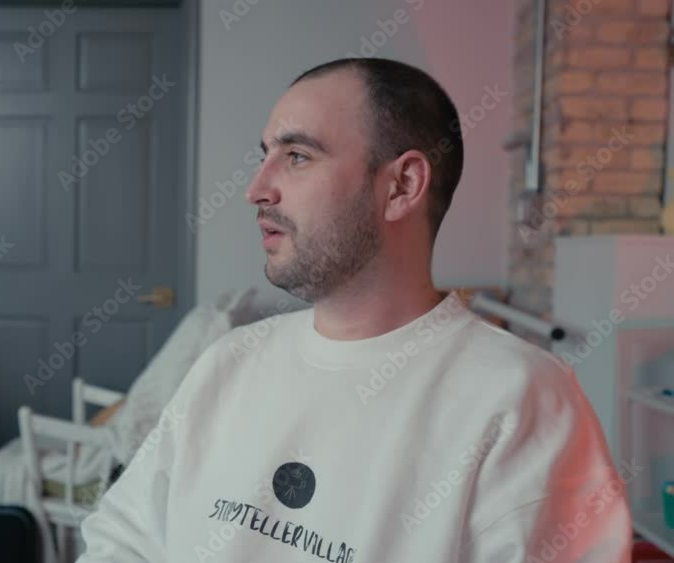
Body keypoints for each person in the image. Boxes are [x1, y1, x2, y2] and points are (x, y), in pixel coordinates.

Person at [75, 58, 631, 563]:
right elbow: (122, 536)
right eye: (262, 155)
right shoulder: (231, 361)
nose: (256, 188)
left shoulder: (522, 401)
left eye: (296, 156)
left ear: (402, 186)